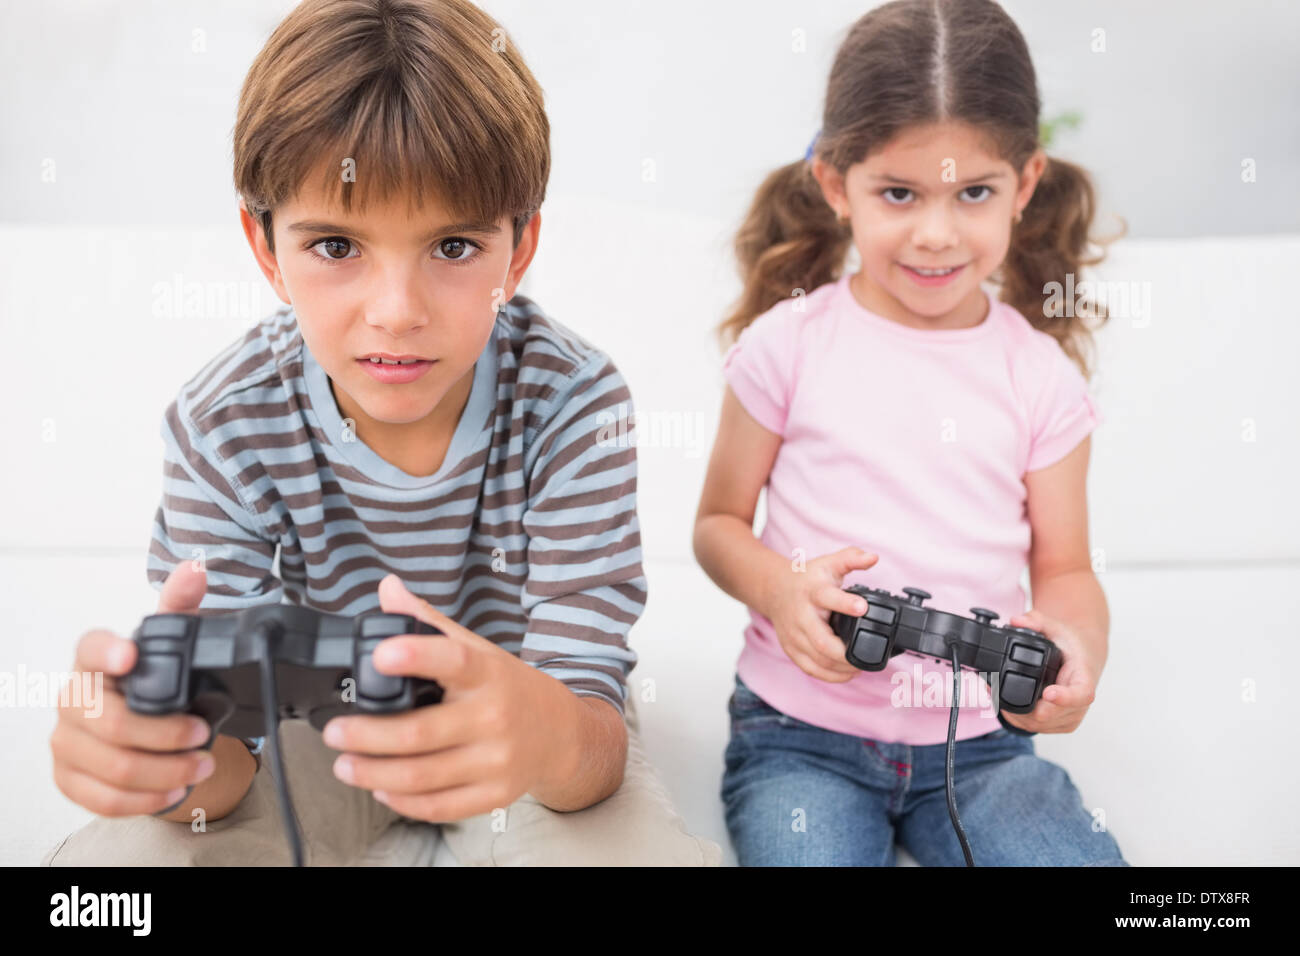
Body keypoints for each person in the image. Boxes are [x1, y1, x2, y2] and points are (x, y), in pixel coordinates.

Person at [44, 0, 719, 867]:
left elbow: (587, 738)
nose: (396, 314)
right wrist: (163, 759)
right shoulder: (224, 421)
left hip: (522, 721)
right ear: (265, 248)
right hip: (304, 728)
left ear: (517, 250)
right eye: (335, 246)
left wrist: (546, 735)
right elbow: (226, 763)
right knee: (119, 870)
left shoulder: (572, 401)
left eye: (451, 247)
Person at [692, 0, 1129, 866]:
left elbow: (1068, 569)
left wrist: (1081, 648)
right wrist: (782, 592)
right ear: (834, 186)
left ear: (1025, 185)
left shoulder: (1039, 377)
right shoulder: (790, 345)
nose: (937, 233)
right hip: (798, 737)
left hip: (984, 749)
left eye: (974, 193)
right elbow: (716, 529)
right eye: (899, 193)